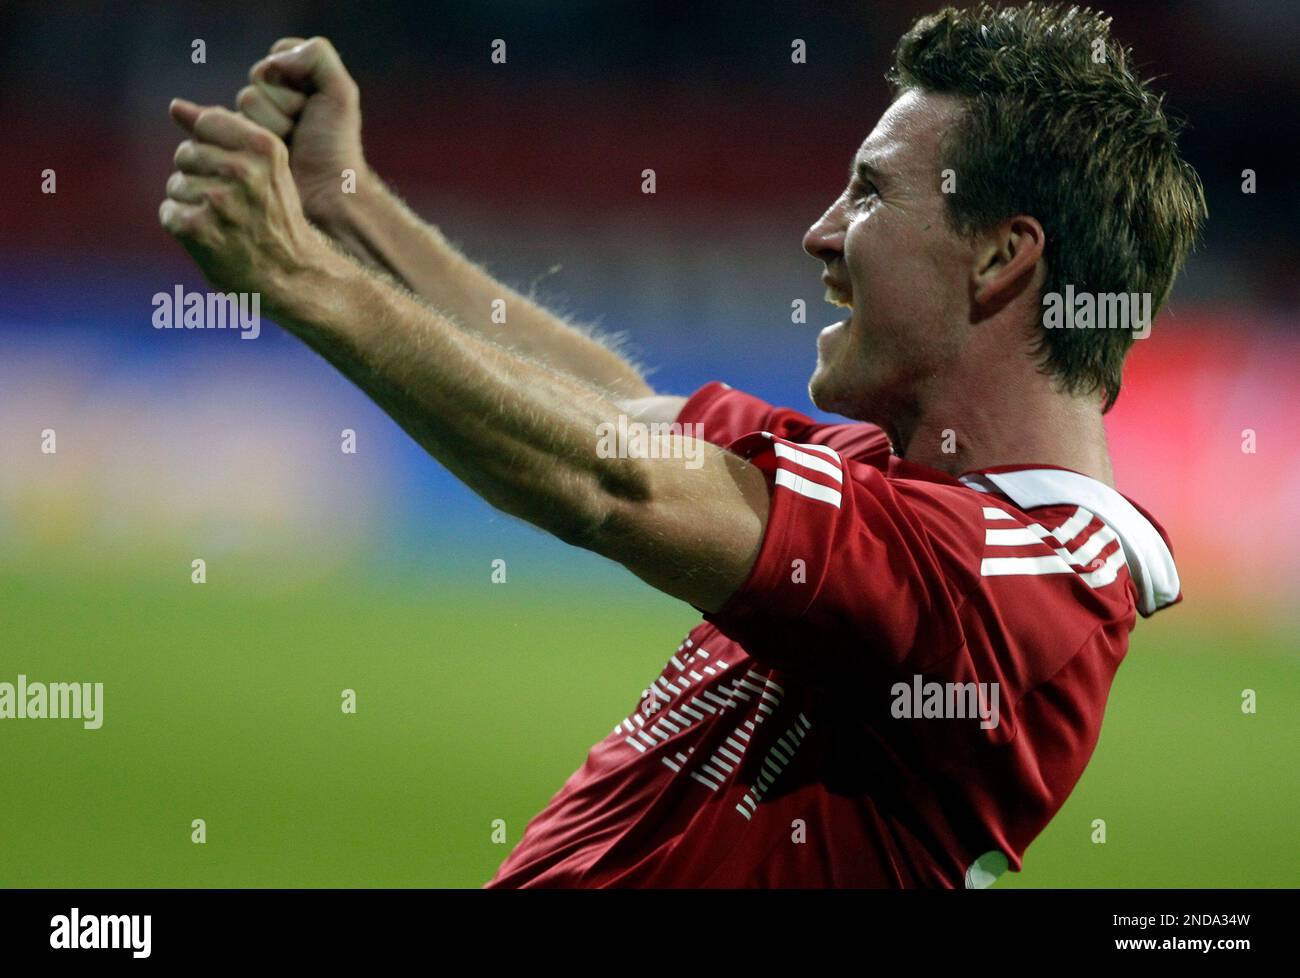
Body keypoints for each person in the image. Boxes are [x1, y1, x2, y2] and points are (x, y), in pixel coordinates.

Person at [160, 2, 1206, 887]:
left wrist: (302, 278)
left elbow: (614, 481)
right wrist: (346, 205)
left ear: (997, 259)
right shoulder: (879, 482)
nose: (821, 232)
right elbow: (614, 413)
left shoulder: (1024, 575)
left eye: (871, 192)